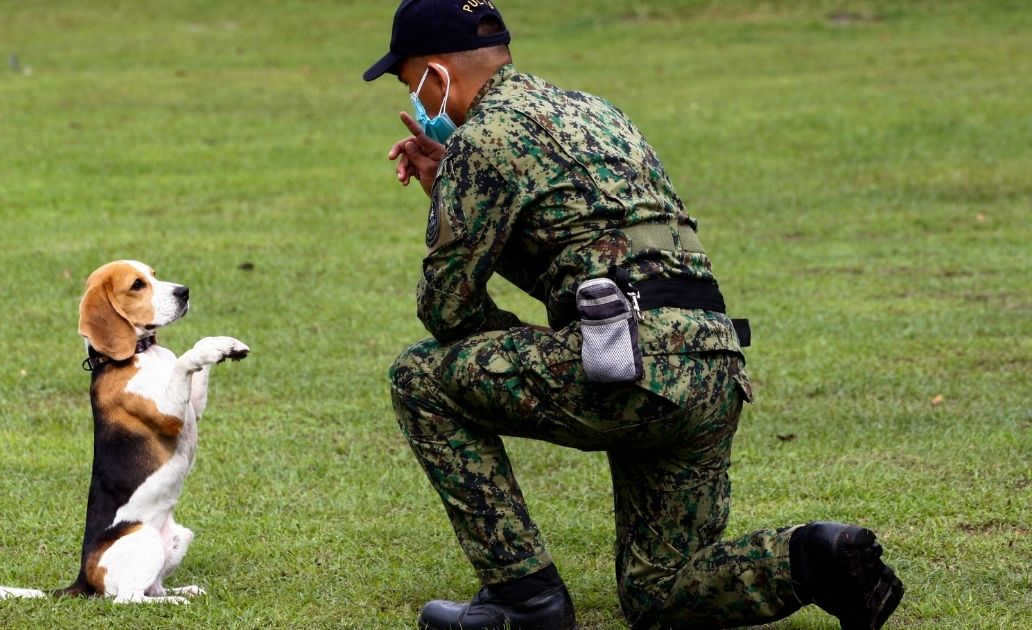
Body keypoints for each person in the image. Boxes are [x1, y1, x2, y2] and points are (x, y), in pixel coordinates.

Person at [363, 1, 905, 629]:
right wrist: (466, 200)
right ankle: (815, 557)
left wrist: (453, 205)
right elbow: (586, 258)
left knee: (419, 378)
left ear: (435, 74)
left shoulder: (482, 140)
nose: (424, 104)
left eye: (411, 85)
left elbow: (446, 309)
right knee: (660, 595)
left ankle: (522, 600)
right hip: (712, 365)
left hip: (626, 365)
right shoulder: (599, 113)